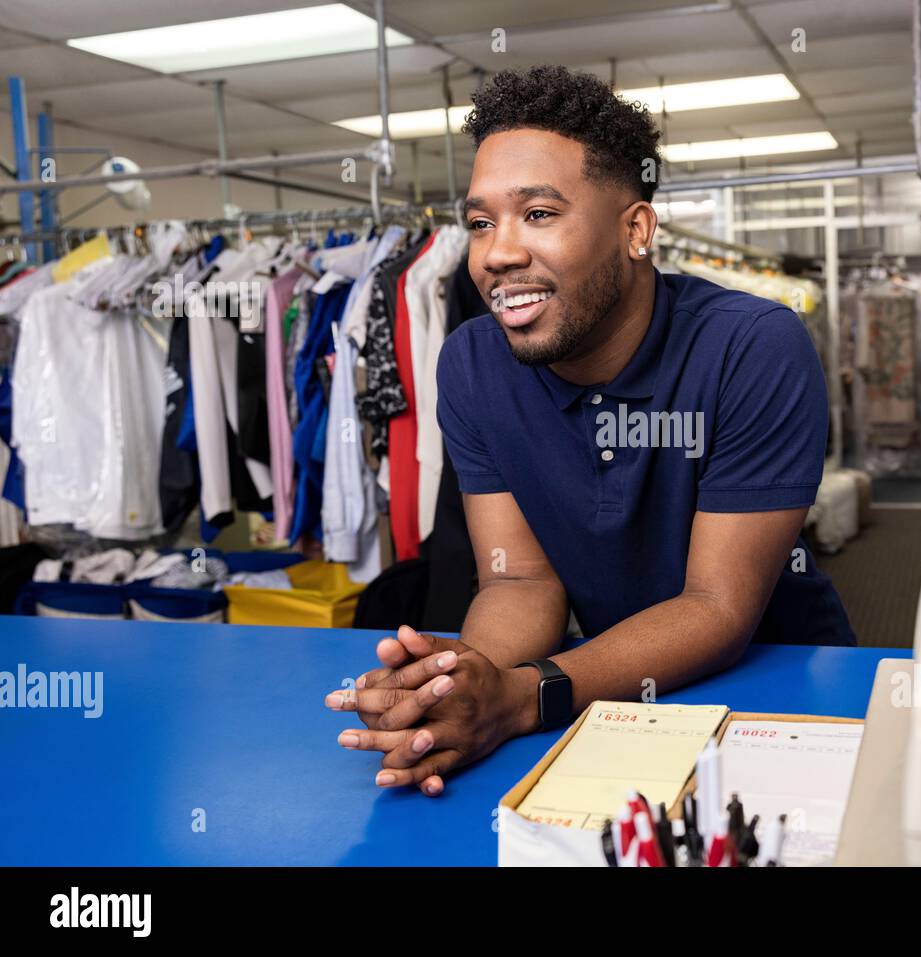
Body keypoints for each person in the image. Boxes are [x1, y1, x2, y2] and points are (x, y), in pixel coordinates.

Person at [325, 65, 854, 796]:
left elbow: (716, 605)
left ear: (634, 230)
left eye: (538, 213)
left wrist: (524, 694)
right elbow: (520, 576)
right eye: (480, 222)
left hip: (780, 683)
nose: (497, 252)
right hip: (605, 687)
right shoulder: (474, 364)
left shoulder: (752, 346)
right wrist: (459, 689)